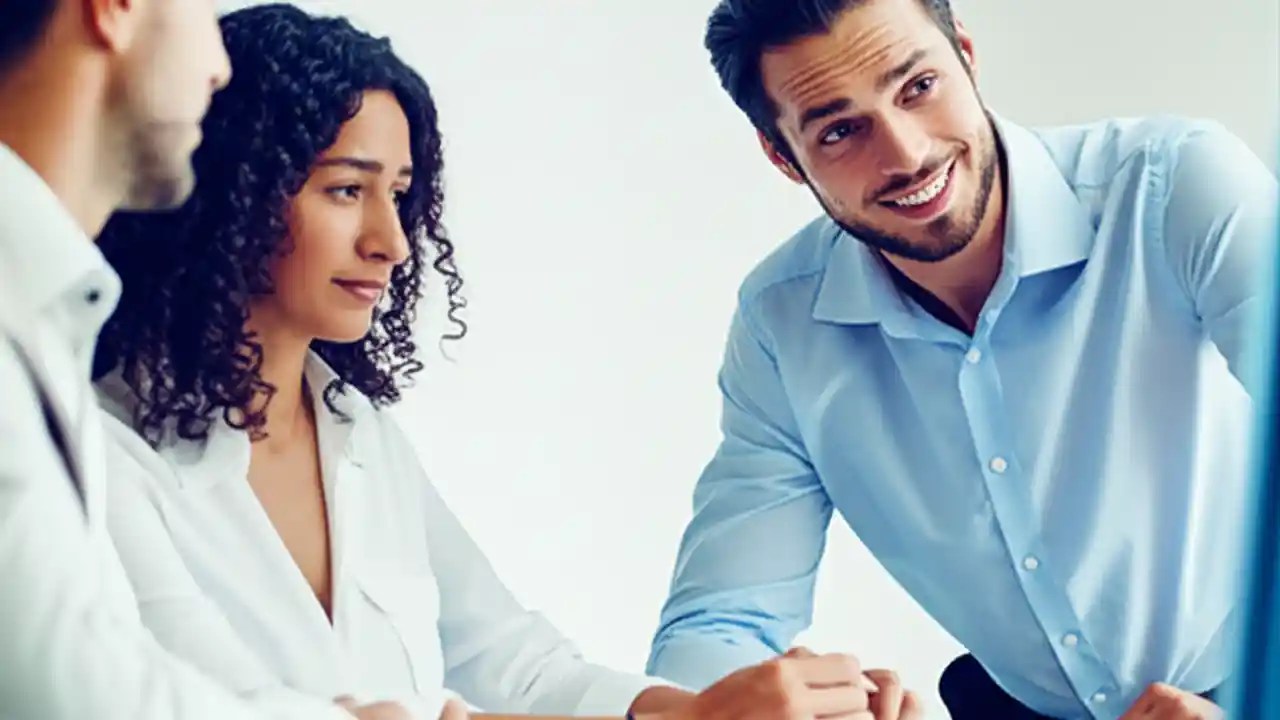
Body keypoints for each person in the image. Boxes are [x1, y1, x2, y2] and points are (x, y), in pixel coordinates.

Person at [91, 5, 914, 720]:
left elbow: (516, 664)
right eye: (347, 190)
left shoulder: (355, 434)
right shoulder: (100, 449)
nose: (390, 241)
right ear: (238, 190)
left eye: (401, 195)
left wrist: (710, 707)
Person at [645, 0, 1280, 718]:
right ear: (782, 156)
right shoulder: (781, 327)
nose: (906, 154)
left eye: (918, 87)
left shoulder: (1173, 189)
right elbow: (726, 621)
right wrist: (721, 710)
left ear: (967, 58)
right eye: (841, 130)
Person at [0, 0, 410, 718]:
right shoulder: (82, 397)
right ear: (114, 9)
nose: (218, 67)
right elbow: (70, 692)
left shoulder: (47, 321)